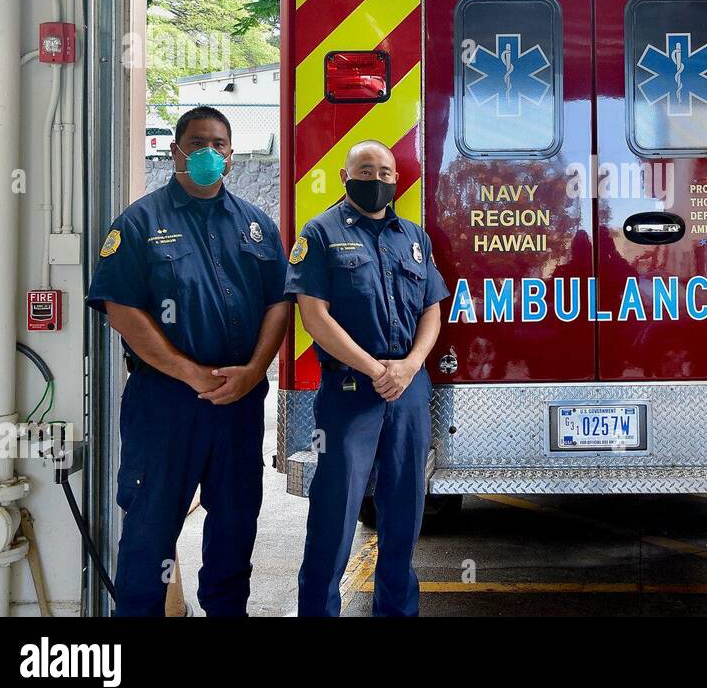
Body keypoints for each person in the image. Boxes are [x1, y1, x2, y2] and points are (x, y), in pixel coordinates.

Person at [87, 107, 288, 616]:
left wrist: (254, 370)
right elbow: (121, 310)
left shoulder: (257, 226)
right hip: (165, 402)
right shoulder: (140, 222)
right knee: (149, 535)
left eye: (219, 145)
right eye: (198, 143)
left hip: (240, 403)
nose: (209, 153)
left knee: (234, 530)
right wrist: (187, 370)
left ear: (231, 157)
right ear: (176, 149)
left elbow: (279, 304)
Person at [286, 139, 448, 617]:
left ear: (397, 180)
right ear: (344, 176)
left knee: (404, 514)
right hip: (351, 392)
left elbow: (432, 310)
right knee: (335, 516)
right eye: (365, 171)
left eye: (384, 173)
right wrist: (377, 369)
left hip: (409, 389)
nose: (375, 180)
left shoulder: (414, 238)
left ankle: (397, 611)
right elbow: (314, 316)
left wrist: (412, 364)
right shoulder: (319, 234)